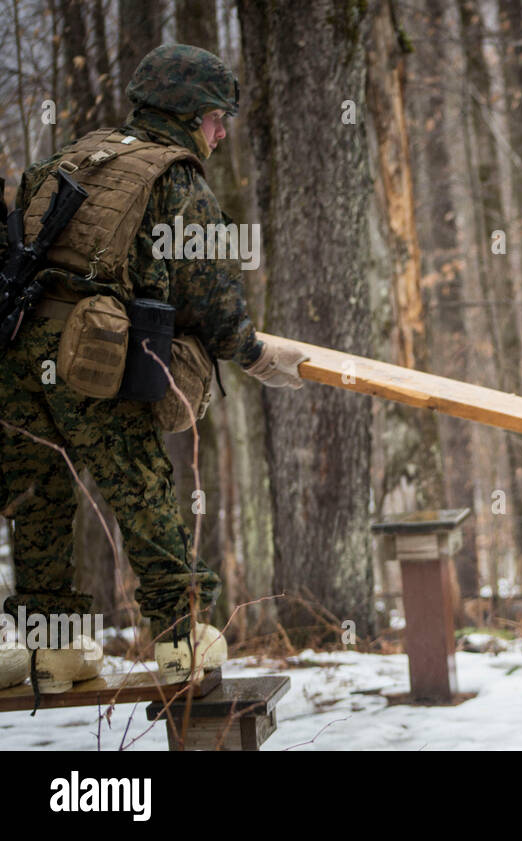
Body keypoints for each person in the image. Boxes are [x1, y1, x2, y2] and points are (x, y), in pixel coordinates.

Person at [0, 44, 307, 693]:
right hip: (88, 353)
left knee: (39, 499)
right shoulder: (175, 177)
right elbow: (210, 288)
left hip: (17, 354)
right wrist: (254, 354)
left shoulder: (70, 157)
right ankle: (180, 639)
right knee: (140, 487)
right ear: (190, 112)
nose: (222, 130)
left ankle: (52, 653)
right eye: (218, 115)